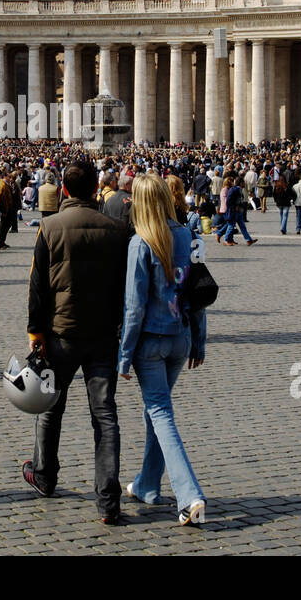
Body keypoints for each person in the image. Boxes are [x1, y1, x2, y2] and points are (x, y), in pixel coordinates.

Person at [22, 161, 129, 526]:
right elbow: (125, 289)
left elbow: (37, 287)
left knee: (51, 408)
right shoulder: (118, 229)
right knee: (105, 416)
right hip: (103, 336)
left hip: (59, 335)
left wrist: (36, 333)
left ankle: (44, 475)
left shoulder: (49, 227)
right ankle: (108, 501)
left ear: (64, 190)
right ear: (96, 188)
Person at [117, 175, 207, 527]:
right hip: (180, 337)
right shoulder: (186, 235)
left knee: (160, 412)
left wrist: (124, 354)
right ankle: (148, 484)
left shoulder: (141, 243)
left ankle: (189, 496)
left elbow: (134, 307)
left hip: (151, 341)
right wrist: (199, 340)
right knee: (157, 410)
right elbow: (198, 295)